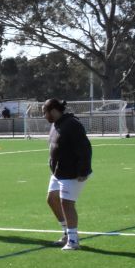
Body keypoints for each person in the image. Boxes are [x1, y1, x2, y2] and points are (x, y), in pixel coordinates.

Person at [43, 98, 92, 250]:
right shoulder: (56, 125)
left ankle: (73, 240)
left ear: (52, 111)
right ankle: (66, 232)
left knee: (67, 203)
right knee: (52, 199)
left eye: (45, 112)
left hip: (73, 172)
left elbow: (85, 148)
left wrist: (83, 170)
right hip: (59, 173)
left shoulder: (72, 124)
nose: (44, 116)